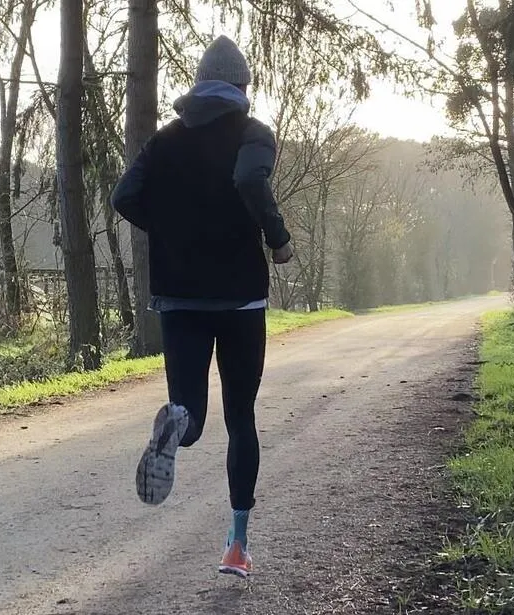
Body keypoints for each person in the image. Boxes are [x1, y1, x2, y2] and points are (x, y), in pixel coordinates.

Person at [111, 35, 294, 578]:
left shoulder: (164, 141)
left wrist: (172, 231)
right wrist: (277, 238)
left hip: (179, 295)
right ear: (242, 88)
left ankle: (178, 425)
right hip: (239, 297)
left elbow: (124, 196)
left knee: (189, 409)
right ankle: (237, 546)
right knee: (242, 416)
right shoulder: (253, 133)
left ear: (197, 85)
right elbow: (248, 178)